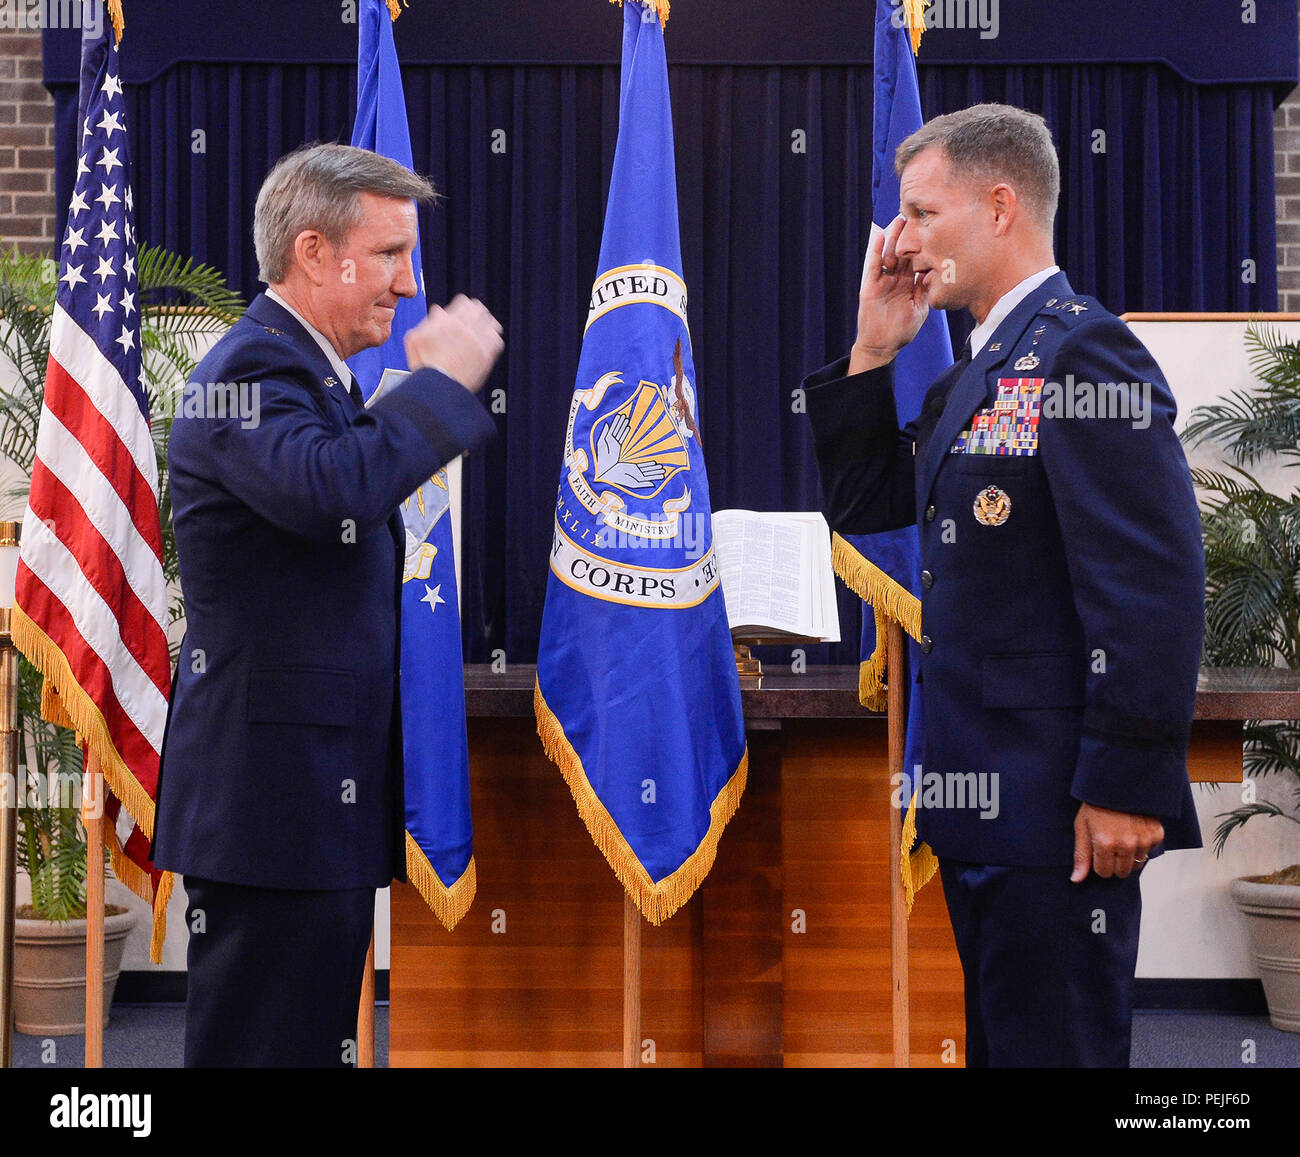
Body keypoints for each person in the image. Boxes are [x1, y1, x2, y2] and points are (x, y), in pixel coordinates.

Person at [804, 104, 1205, 1067]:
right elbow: (866, 505)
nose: (898, 241)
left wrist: (1123, 784)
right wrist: (873, 350)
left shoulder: (1085, 356)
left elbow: (1150, 586)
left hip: (1063, 809)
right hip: (983, 806)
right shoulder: (964, 380)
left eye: (917, 213)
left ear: (997, 207)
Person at [152, 143, 503, 1067]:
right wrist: (439, 386)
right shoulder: (249, 373)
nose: (409, 280)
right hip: (272, 809)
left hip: (310, 808)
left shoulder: (310, 378)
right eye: (389, 253)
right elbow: (333, 488)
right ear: (314, 252)